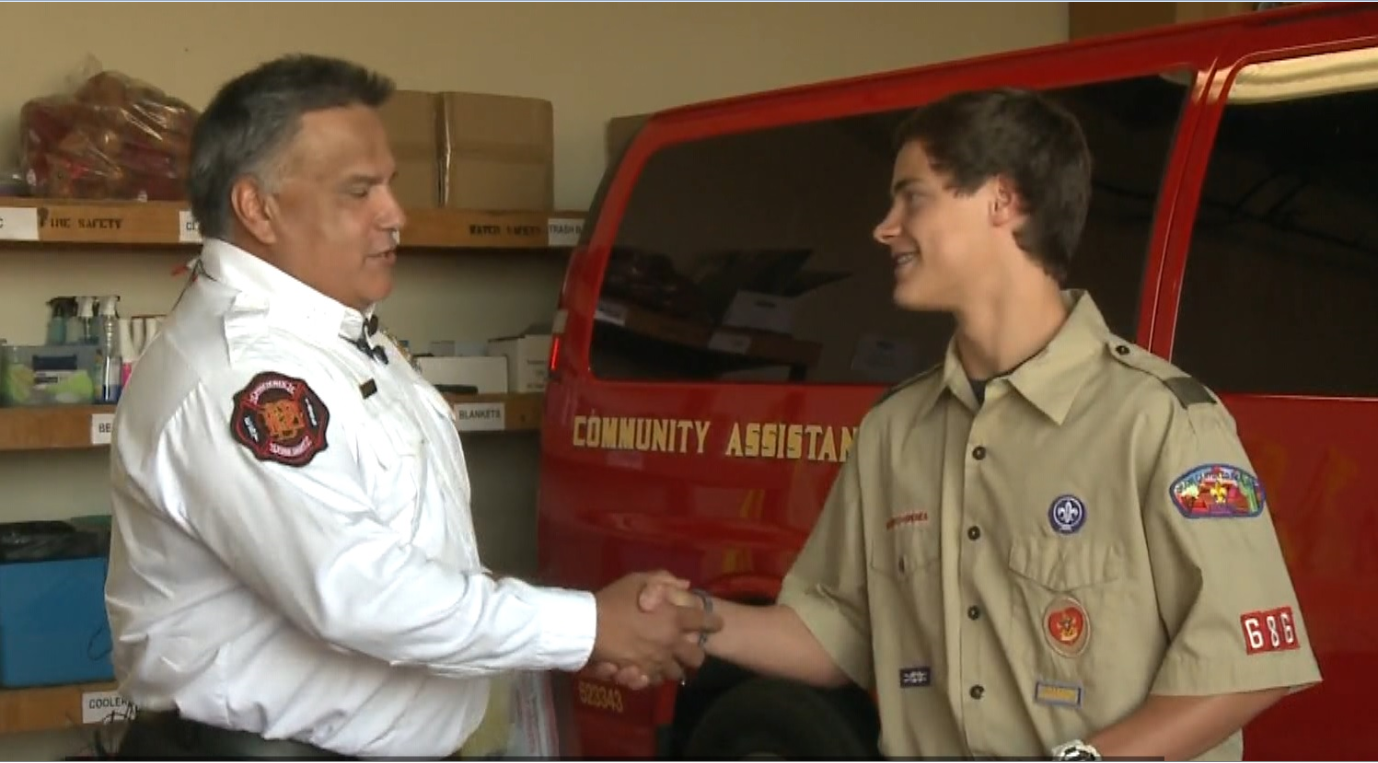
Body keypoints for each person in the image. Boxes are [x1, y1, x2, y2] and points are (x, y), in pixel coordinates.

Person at [596, 87, 1323, 760]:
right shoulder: (894, 431)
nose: (885, 229)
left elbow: (1249, 662)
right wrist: (694, 615)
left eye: (912, 198)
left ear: (1002, 199)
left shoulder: (1161, 421)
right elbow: (837, 629)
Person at [104, 53, 720, 760]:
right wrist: (585, 627)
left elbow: (409, 557)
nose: (395, 215)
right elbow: (360, 592)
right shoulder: (245, 373)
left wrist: (574, 635)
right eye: (359, 191)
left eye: (390, 186)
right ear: (258, 208)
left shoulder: (340, 335)